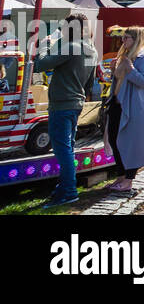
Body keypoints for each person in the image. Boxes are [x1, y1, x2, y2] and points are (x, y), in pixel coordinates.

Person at [31, 11, 99, 207]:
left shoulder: (71, 47)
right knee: (67, 147)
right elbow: (90, 83)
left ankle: (69, 191)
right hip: (76, 103)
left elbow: (40, 65)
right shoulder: (91, 49)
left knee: (63, 150)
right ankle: (64, 187)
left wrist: (44, 45)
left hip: (61, 104)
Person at [105, 26, 144, 193]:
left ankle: (128, 180)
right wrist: (114, 70)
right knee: (114, 139)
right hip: (117, 103)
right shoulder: (124, 56)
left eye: (127, 38)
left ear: (136, 40)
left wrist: (130, 68)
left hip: (134, 107)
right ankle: (121, 175)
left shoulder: (143, 57)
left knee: (130, 142)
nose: (123, 41)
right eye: (123, 38)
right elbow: (120, 80)